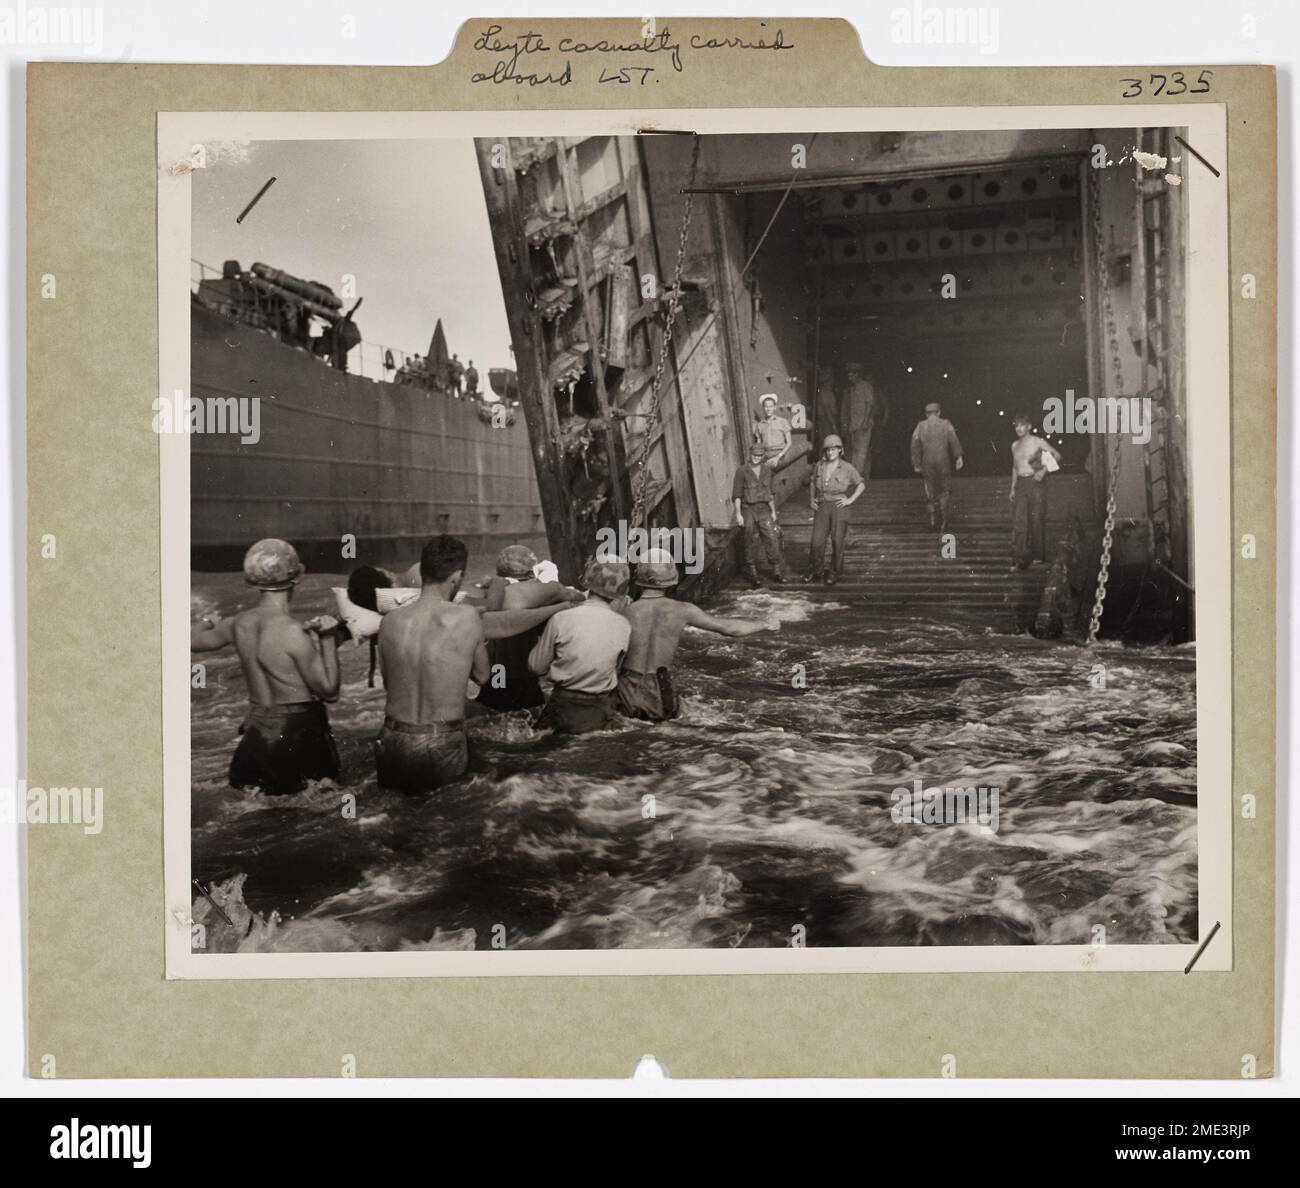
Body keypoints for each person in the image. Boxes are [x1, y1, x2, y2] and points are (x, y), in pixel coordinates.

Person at [191, 539, 341, 796]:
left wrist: (207, 619)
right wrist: (328, 638)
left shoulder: (237, 624)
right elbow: (330, 692)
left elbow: (193, 640)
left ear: (251, 581)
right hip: (298, 733)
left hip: (257, 735)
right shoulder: (292, 630)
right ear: (298, 577)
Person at [617, 550, 777, 722]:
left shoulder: (626, 612)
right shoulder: (683, 610)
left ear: (638, 578)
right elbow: (730, 629)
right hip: (659, 691)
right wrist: (765, 624)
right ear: (672, 578)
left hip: (626, 689)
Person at [529, 557, 632, 734]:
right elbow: (616, 668)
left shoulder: (561, 618)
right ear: (622, 589)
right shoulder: (624, 625)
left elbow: (536, 667)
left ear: (586, 580)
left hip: (562, 706)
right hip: (600, 710)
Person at [476, 545, 581, 713]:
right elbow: (577, 599)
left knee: (495, 710)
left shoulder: (489, 593)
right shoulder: (538, 592)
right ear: (531, 573)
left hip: (496, 673)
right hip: (523, 676)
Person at [806, 434, 865, 586]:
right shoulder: (820, 465)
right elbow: (813, 482)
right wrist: (812, 499)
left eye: (834, 449)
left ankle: (834, 572)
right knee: (816, 541)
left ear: (840, 450)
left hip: (839, 507)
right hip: (822, 506)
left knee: (837, 541)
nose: (830, 452)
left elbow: (861, 484)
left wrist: (849, 500)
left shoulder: (847, 468)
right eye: (828, 450)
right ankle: (816, 571)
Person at [1008, 414, 1063, 571]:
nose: (1018, 428)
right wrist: (1012, 487)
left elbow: (1057, 456)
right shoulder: (1014, 445)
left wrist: (1043, 471)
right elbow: (1014, 467)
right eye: (1016, 425)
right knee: (1020, 522)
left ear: (1029, 426)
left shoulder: (1038, 442)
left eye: (1022, 425)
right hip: (1021, 484)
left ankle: (1038, 558)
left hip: (1036, 483)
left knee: (1036, 519)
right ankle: (1019, 559)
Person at [732, 442, 789, 587]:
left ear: (763, 456)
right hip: (747, 508)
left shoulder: (766, 470)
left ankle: (777, 571)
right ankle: (752, 572)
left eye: (759, 455)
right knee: (749, 535)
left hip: (763, 508)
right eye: (754, 455)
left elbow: (769, 493)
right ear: (749, 455)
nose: (756, 458)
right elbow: (737, 494)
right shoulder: (742, 471)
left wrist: (773, 512)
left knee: (771, 535)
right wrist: (738, 514)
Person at [910, 401, 964, 531]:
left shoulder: (920, 426)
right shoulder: (946, 424)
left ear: (926, 414)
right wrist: (959, 456)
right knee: (945, 490)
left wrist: (916, 463)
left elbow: (914, 444)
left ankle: (932, 520)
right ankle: (944, 521)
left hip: (927, 460)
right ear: (939, 412)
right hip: (943, 460)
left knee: (930, 490)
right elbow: (954, 440)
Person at [840, 361, 887, 478]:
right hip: (854, 424)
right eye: (848, 375)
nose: (849, 377)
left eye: (851, 374)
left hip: (863, 423)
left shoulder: (866, 386)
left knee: (861, 450)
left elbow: (870, 404)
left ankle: (856, 476)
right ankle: (861, 476)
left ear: (857, 374)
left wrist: (866, 420)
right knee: (856, 450)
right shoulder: (852, 389)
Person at [753, 393, 793, 468]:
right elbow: (759, 445)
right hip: (766, 455)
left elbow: (789, 443)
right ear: (763, 408)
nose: (768, 409)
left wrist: (778, 457)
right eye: (766, 407)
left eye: (770, 406)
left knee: (766, 469)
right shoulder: (759, 425)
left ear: (775, 407)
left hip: (781, 454)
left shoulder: (783, 422)